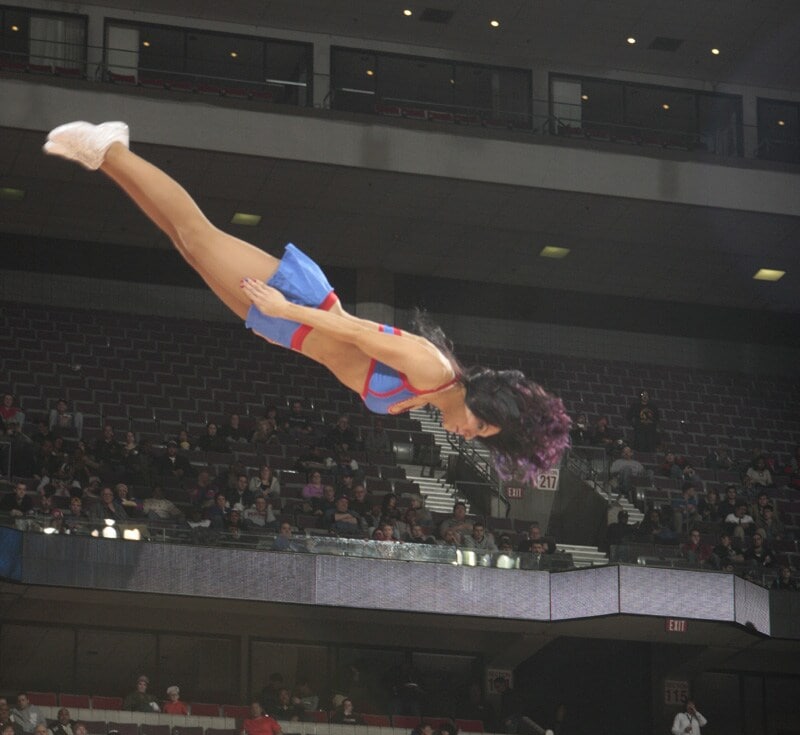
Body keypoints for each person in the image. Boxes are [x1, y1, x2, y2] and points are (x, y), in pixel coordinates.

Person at [44, 121, 570, 482]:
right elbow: (357, 330)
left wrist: (283, 326)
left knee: (185, 245)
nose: (469, 434)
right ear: (483, 400)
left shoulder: (432, 397)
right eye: (480, 424)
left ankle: (107, 157)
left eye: (481, 435)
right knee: (197, 233)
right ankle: (110, 148)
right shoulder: (432, 369)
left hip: (291, 327)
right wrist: (286, 309)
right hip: (300, 304)